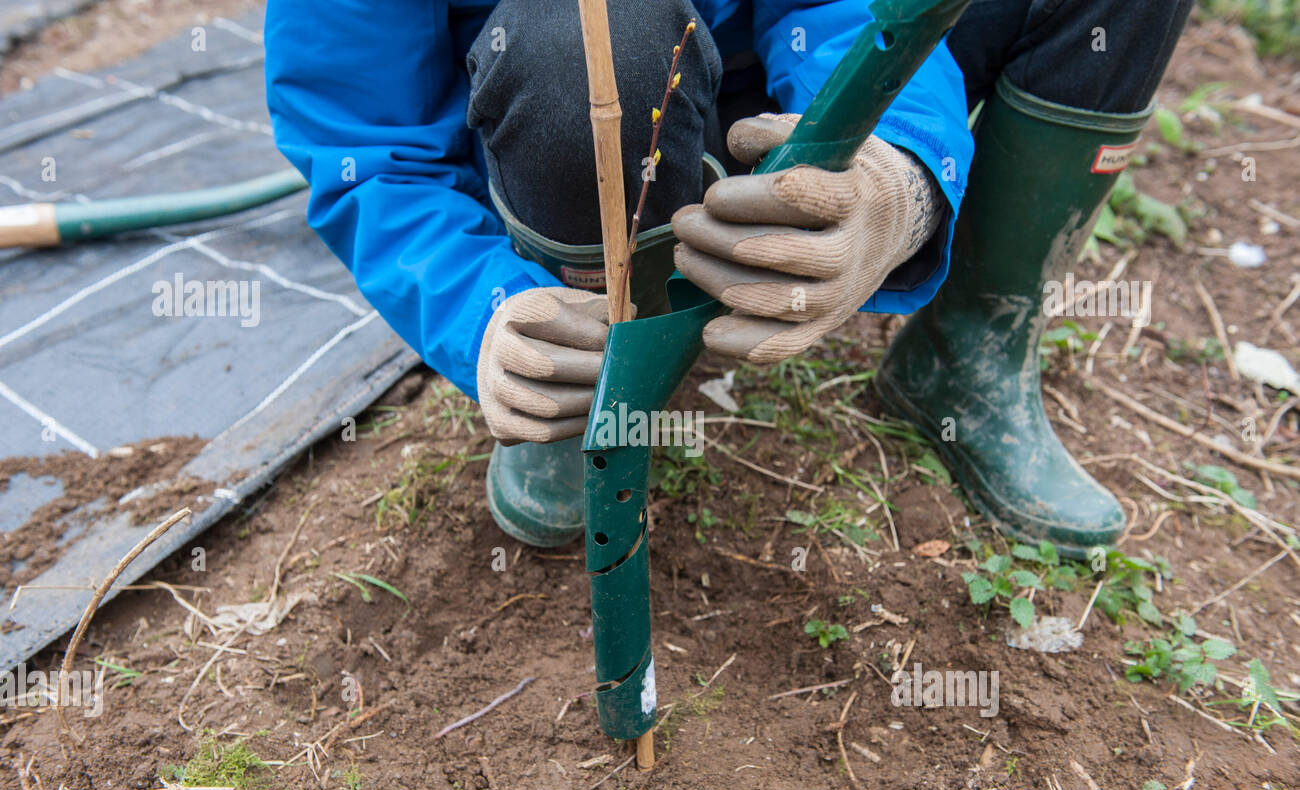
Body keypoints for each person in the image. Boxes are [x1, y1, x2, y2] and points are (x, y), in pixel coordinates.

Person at [265, 0, 1193, 558]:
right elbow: (369, 147)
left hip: (763, 94)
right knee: (586, 42)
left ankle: (970, 353)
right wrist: (487, 313)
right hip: (567, 103)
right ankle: (583, 365)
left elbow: (845, 8)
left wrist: (898, 178)